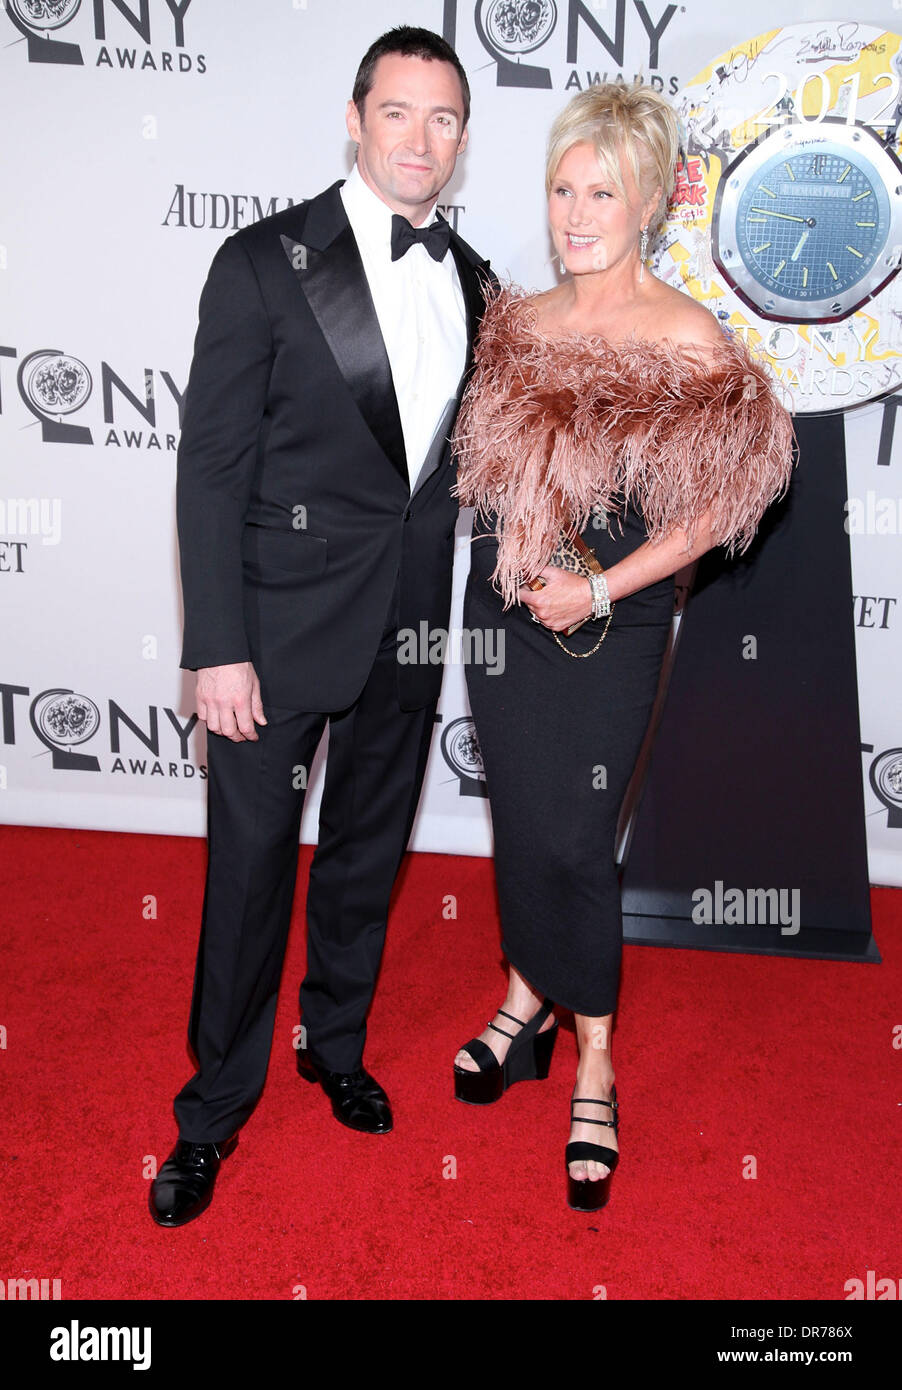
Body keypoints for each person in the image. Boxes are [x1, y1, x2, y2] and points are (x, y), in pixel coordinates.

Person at [150, 25, 492, 1227]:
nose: (419, 139)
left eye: (442, 118)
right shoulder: (261, 262)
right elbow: (208, 470)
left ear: (461, 138)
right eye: (397, 112)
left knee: (364, 853)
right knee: (247, 877)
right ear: (354, 120)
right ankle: (210, 1112)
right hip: (273, 632)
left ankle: (332, 1044)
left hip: (407, 622)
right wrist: (215, 646)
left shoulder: (474, 280)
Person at [451, 81, 794, 1212]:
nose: (577, 213)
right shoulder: (518, 321)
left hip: (609, 620)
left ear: (650, 200)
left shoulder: (686, 338)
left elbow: (720, 507)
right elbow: (493, 469)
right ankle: (524, 998)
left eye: (603, 192)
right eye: (564, 189)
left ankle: (592, 1048)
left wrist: (597, 585)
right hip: (506, 607)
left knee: (574, 835)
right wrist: (526, 558)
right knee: (519, 815)